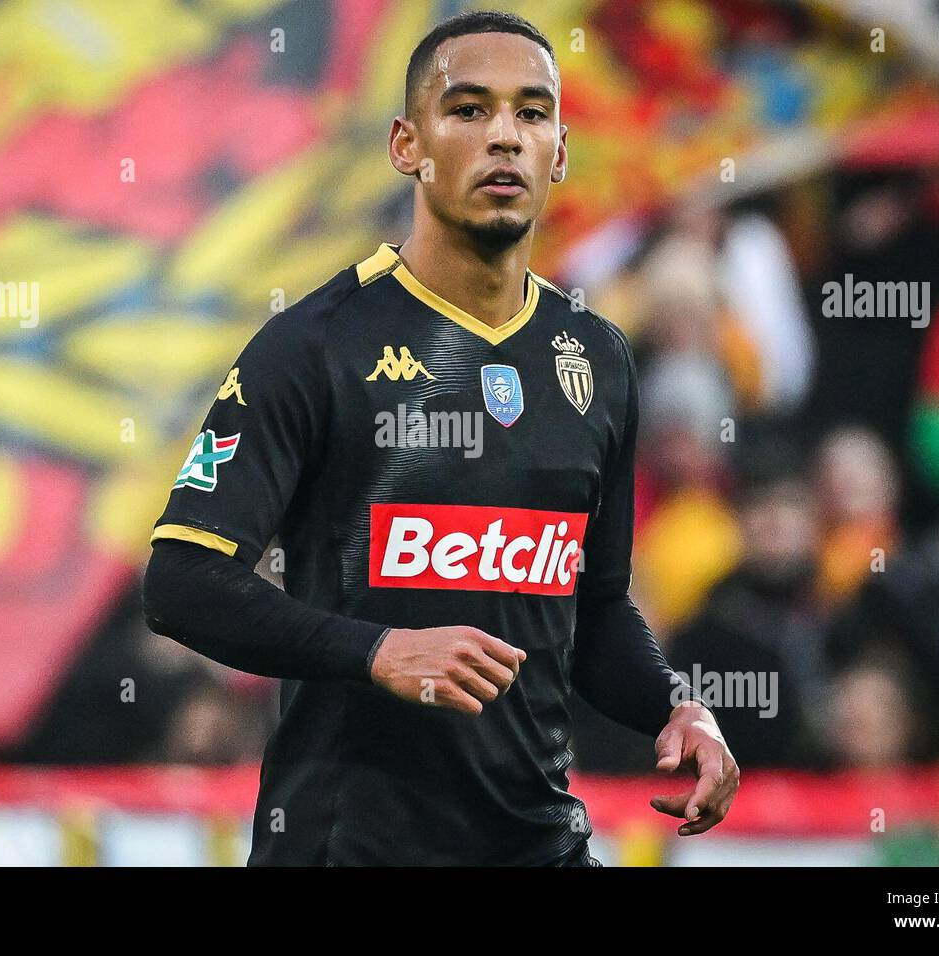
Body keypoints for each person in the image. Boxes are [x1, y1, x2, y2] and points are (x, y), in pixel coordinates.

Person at [143, 10, 738, 866]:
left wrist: (678, 708)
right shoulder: (315, 346)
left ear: (561, 152)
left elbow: (597, 606)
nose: (505, 136)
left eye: (532, 114)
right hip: (349, 847)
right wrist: (376, 650)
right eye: (469, 110)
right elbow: (182, 580)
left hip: (536, 842)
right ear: (406, 145)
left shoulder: (597, 358)